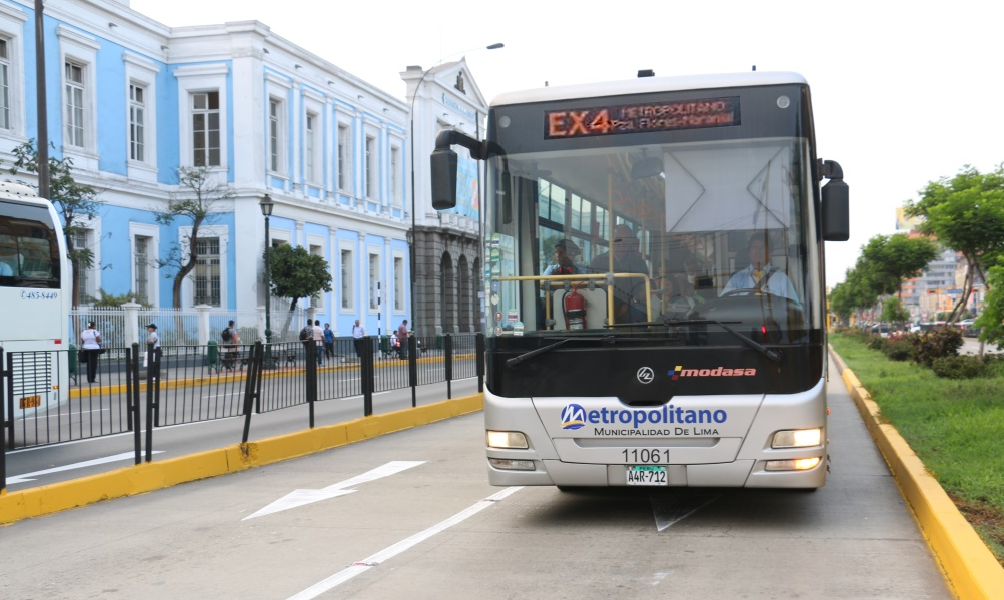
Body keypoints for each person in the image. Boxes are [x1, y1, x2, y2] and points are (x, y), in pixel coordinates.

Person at [589, 224, 651, 322]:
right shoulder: (598, 262)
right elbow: (590, 288)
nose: (622, 244)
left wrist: (630, 302)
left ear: (631, 242)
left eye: (626, 241)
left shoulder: (639, 264)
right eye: (618, 240)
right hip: (601, 308)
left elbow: (644, 291)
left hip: (630, 310)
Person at [721, 235, 800, 302]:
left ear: (770, 253)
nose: (758, 251)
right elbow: (724, 304)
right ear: (749, 252)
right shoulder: (737, 278)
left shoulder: (781, 278)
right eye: (754, 247)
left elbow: (793, 307)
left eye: (762, 247)